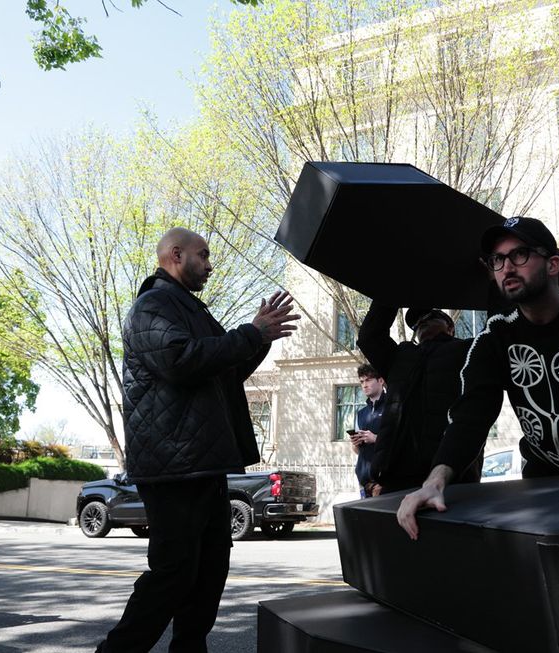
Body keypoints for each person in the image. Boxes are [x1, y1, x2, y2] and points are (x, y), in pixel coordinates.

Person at [96, 227, 300, 653]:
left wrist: (259, 339)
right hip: (173, 464)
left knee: (209, 572)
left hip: (202, 464)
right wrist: (250, 333)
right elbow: (179, 361)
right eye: (203, 255)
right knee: (174, 572)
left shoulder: (192, 309)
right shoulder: (152, 305)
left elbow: (223, 373)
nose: (209, 265)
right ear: (175, 255)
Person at [397, 217, 559, 539]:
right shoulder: (493, 338)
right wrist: (434, 483)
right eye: (497, 260)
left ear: (552, 265)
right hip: (548, 486)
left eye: (519, 255)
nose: (506, 267)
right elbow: (470, 417)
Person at [357, 304, 482, 495]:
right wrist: (393, 289)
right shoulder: (399, 357)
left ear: (450, 327)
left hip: (451, 478)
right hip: (397, 477)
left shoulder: (468, 352)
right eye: (417, 323)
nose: (422, 322)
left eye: (432, 317)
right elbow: (369, 337)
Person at [350, 364, 384, 498]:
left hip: (384, 483)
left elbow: (400, 443)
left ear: (380, 380)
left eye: (368, 380)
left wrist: (375, 438)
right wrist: (355, 442)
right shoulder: (361, 414)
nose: (364, 385)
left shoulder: (392, 408)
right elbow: (357, 451)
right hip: (364, 483)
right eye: (362, 381)